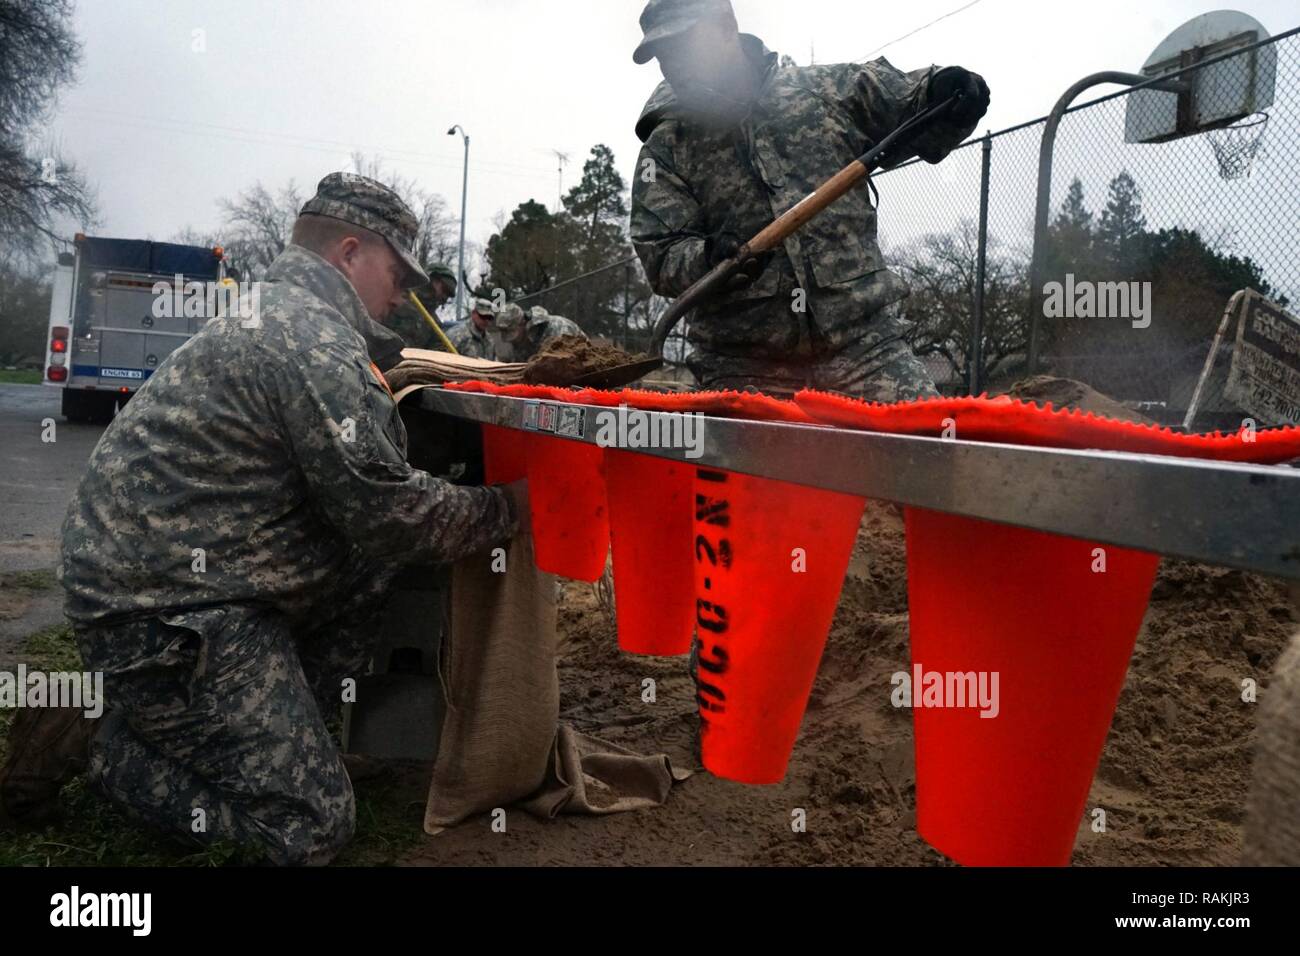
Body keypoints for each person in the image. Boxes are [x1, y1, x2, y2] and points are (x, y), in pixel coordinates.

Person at [0, 172, 528, 866]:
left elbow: (370, 522)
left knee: (368, 565)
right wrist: (513, 507)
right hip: (167, 615)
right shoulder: (307, 340)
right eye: (397, 272)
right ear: (348, 253)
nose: (402, 294)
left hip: (199, 580)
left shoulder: (274, 313)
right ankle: (110, 740)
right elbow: (393, 515)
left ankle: (268, 724)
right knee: (308, 828)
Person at [629, 0, 989, 399]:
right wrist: (710, 258)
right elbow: (660, 253)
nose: (673, 65)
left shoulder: (823, 93)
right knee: (735, 462)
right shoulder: (667, 147)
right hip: (742, 365)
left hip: (866, 348)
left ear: (727, 28)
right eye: (663, 55)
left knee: (929, 449)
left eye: (683, 46)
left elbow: (907, 102)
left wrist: (943, 94)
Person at [386, 262, 459, 353]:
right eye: (444, 289)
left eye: (448, 294)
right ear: (433, 280)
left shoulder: (434, 323)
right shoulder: (398, 299)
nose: (444, 296)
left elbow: (433, 353)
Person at [492, 303, 585, 362]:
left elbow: (568, 364)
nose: (512, 341)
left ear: (523, 322)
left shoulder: (558, 329)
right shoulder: (521, 340)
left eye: (512, 333)